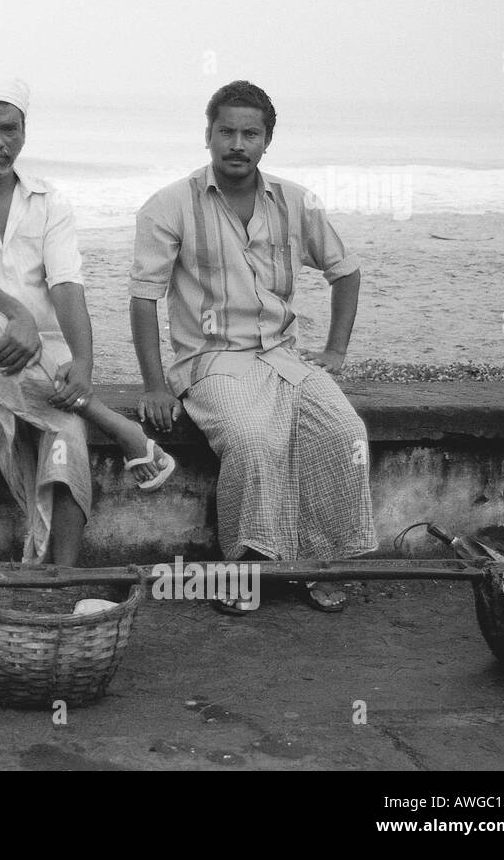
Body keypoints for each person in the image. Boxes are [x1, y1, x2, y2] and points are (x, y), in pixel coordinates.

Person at [130, 80, 376, 614]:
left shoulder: (294, 201)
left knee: (344, 432)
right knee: (252, 438)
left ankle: (318, 566)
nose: (236, 144)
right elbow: (144, 298)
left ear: (267, 140)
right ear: (207, 135)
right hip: (212, 361)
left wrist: (334, 352)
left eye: (250, 133)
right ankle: (247, 571)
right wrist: (154, 385)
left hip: (285, 357)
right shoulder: (169, 204)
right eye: (226, 132)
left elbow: (346, 271)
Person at [0, 75, 174, 566]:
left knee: (65, 424)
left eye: (8, 128)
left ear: (24, 133)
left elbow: (67, 286)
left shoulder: (49, 201)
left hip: (40, 362)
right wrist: (16, 313)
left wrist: (82, 364)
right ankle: (117, 425)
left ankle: (61, 576)